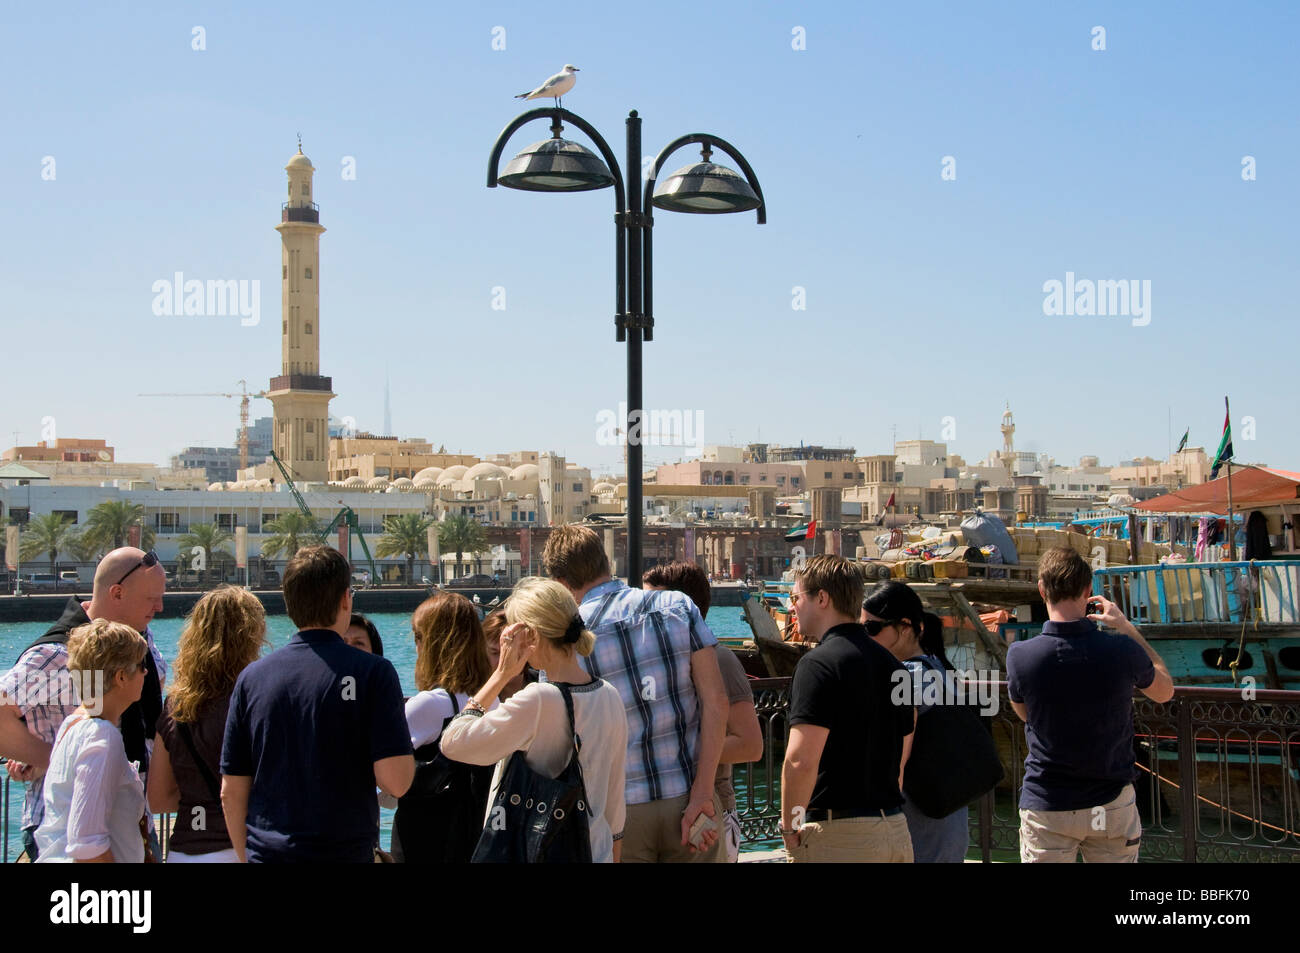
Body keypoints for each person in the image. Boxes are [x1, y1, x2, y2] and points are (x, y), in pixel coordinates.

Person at [542, 525, 727, 863]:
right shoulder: (679, 606)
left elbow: (555, 741)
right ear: (606, 562)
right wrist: (703, 792)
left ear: (561, 583)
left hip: (616, 813)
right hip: (689, 797)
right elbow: (716, 703)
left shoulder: (564, 640)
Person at [220, 545, 414, 862]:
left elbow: (232, 790)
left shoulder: (251, 678)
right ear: (345, 600)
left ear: (288, 602)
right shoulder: (374, 673)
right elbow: (397, 780)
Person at [440, 577, 627, 863]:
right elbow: (614, 807)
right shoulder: (610, 695)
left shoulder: (539, 700)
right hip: (595, 852)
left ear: (531, 635)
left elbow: (454, 743)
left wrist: (501, 674)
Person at [1006, 546, 1174, 863]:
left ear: (1042, 589)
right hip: (1110, 802)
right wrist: (1125, 626)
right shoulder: (1121, 649)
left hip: (1048, 801)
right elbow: (1165, 691)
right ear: (1088, 591)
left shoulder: (1020, 655)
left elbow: (1026, 714)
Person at [0, 547, 166, 861]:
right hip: (63, 830)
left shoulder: (142, 640)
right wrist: (55, 760)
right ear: (117, 593)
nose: (159, 607)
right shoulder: (54, 654)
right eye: (151, 598)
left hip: (131, 819)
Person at [780, 555, 914, 863]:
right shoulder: (896, 667)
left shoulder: (817, 665)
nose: (792, 607)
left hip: (841, 836)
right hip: (894, 828)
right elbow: (900, 763)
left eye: (795, 597)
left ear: (822, 598)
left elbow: (800, 761)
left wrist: (791, 827)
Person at [643, 561, 762, 863]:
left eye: (652, 603)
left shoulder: (720, 661)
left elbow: (750, 744)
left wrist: (675, 748)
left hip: (712, 808)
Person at [148, 587, 267, 863]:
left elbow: (157, 798)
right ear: (251, 635)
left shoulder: (175, 706)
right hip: (243, 848)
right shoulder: (255, 700)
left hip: (183, 851)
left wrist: (198, 797)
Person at [862, 580, 967, 863]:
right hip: (948, 819)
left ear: (905, 626)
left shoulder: (908, 678)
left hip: (918, 823)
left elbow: (893, 754)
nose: (865, 636)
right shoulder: (938, 667)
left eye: (871, 628)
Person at [390, 591, 496, 863]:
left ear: (433, 644)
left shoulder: (428, 705)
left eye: (418, 637)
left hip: (423, 844)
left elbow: (384, 783)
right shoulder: (493, 702)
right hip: (476, 844)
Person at [35, 620, 150, 863]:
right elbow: (87, 845)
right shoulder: (102, 735)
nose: (146, 672)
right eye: (142, 665)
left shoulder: (73, 724)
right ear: (121, 677)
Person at [482, 610, 526, 701]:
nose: (503, 660)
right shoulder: (469, 694)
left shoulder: (543, 686)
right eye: (495, 653)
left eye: (511, 652)